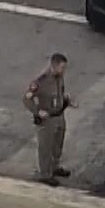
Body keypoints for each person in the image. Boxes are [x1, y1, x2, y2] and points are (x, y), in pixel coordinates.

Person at [23, 53, 74, 184]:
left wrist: (67, 100)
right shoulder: (41, 82)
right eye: (62, 68)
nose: (64, 71)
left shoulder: (59, 78)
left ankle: (55, 167)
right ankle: (45, 174)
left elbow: (59, 93)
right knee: (46, 147)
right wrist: (37, 111)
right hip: (47, 120)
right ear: (54, 66)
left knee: (58, 144)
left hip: (59, 115)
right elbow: (27, 99)